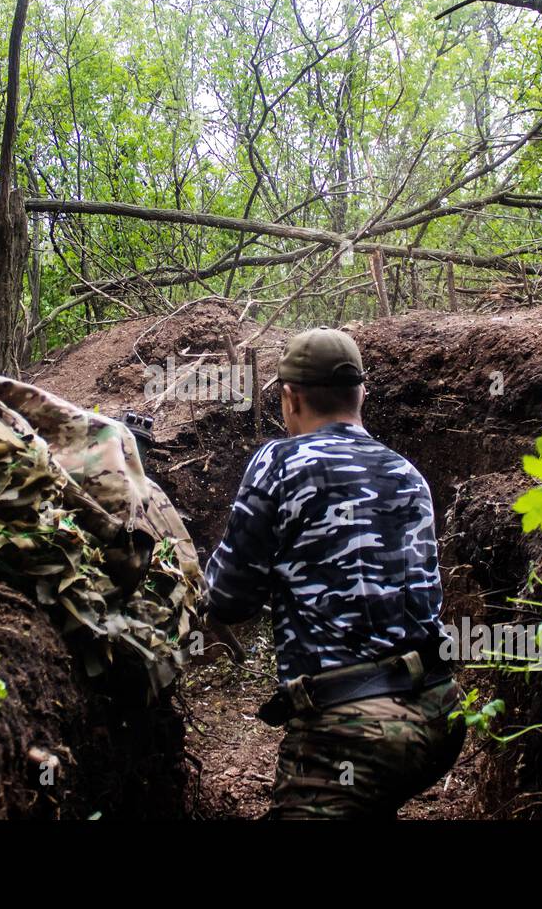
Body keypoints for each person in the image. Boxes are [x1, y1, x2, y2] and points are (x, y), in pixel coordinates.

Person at [203, 327, 464, 819]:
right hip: (438, 713)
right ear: (361, 393)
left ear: (290, 397)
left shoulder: (279, 462)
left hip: (351, 731)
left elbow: (228, 599)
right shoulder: (407, 472)